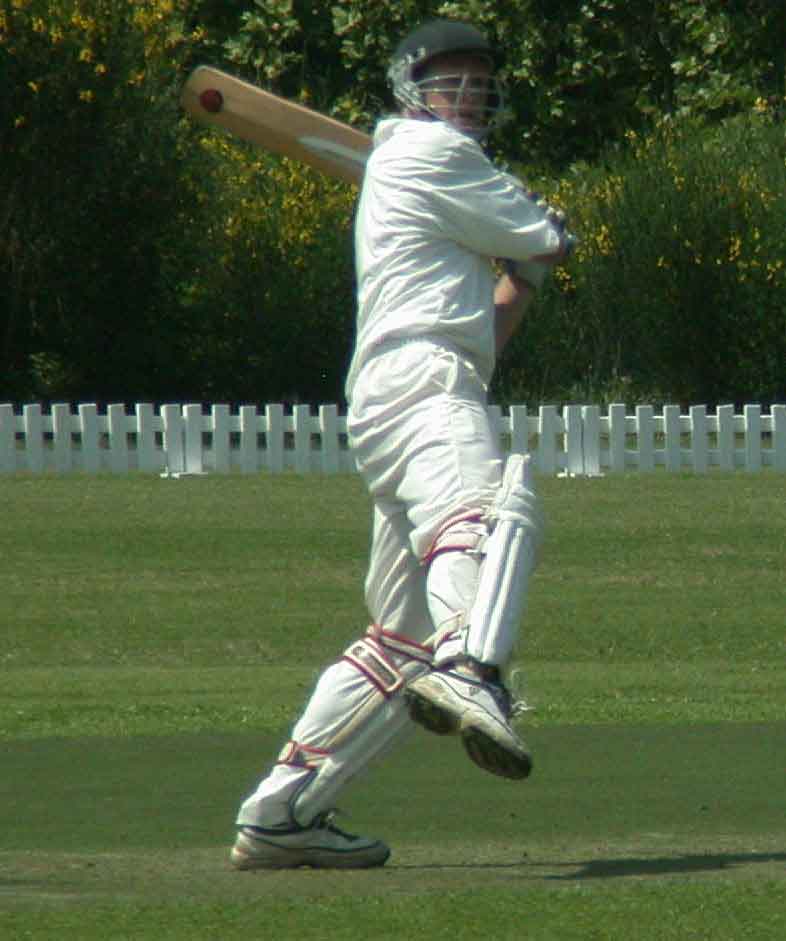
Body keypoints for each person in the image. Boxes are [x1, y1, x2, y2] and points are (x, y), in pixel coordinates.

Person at [230, 18, 570, 870]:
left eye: (479, 80)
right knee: (492, 513)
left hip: (402, 387)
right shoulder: (432, 155)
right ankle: (473, 665)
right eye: (452, 78)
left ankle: (285, 810)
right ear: (414, 89)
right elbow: (545, 234)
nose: (469, 93)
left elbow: (494, 315)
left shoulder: (428, 177)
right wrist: (546, 235)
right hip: (422, 382)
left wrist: (525, 269)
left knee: (399, 636)